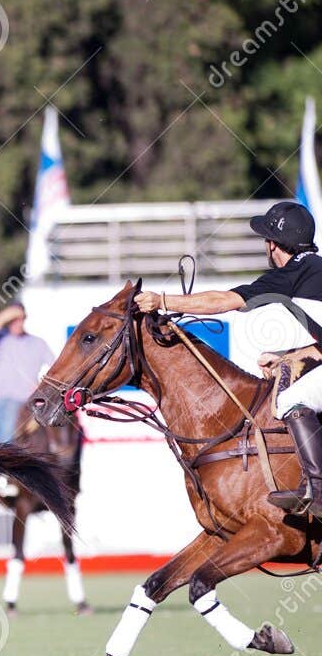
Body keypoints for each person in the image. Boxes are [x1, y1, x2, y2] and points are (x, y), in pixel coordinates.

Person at [136, 199, 322, 518]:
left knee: (291, 399)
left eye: (266, 239)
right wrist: (289, 357)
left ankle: (318, 492)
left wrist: (161, 300)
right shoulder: (314, 269)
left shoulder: (293, 272)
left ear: (273, 244)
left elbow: (223, 301)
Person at [0, 302, 54, 496]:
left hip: (33, 403)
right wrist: (3, 316)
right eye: (13, 319)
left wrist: (41, 385)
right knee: (7, 427)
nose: (17, 322)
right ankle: (4, 475)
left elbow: (53, 369)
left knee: (60, 427)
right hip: (6, 401)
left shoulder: (38, 343)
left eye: (20, 318)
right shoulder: (0, 340)